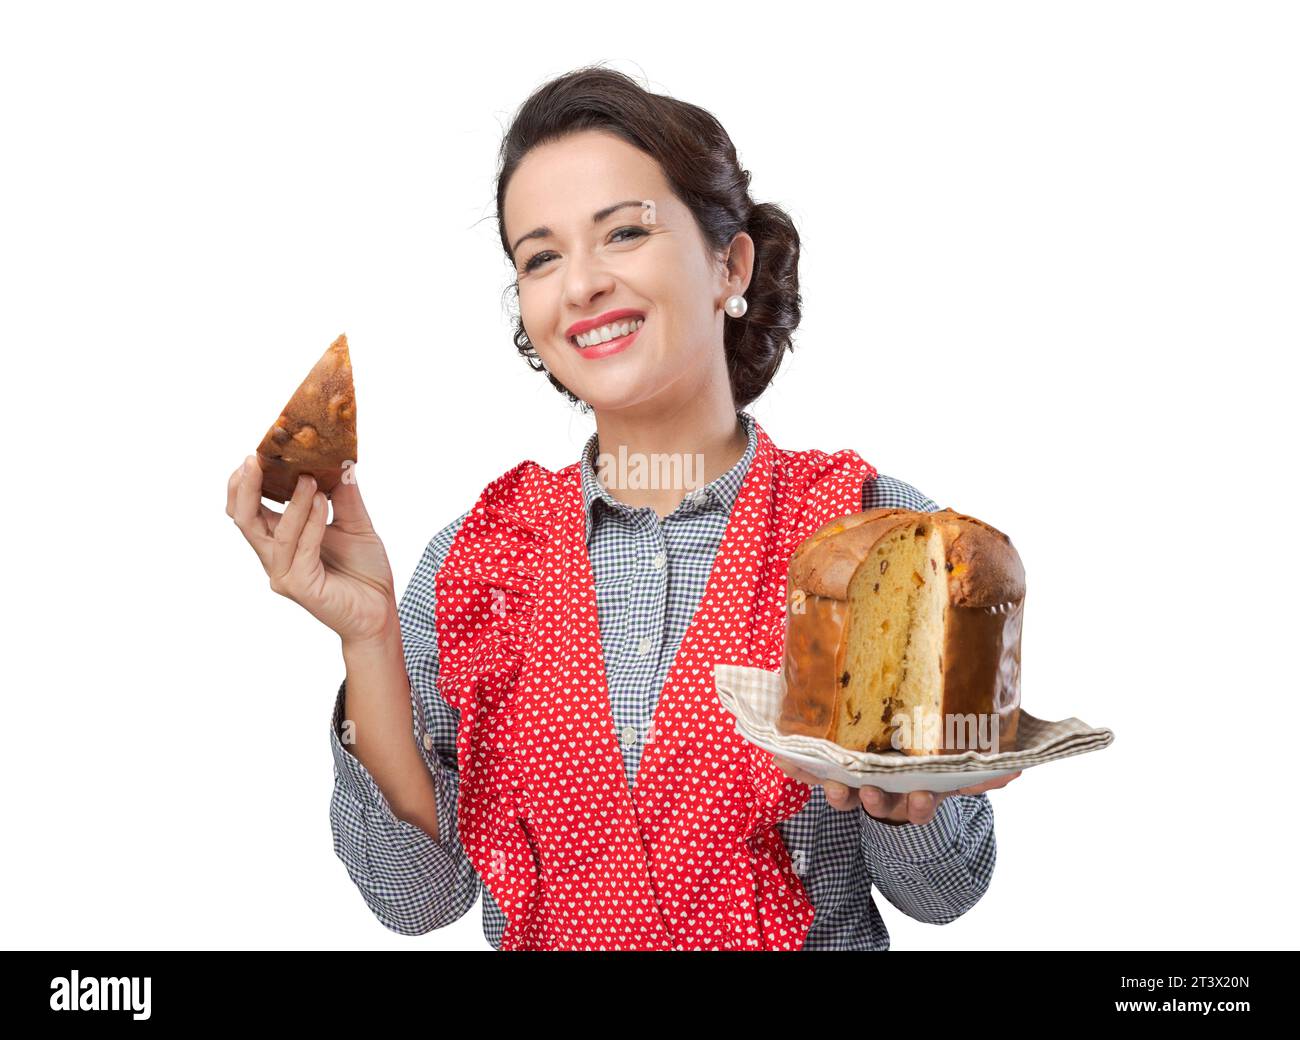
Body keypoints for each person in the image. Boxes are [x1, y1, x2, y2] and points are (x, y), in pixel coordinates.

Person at [226, 66, 1019, 950]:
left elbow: (946, 893)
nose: (582, 284)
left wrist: (904, 800)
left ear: (731, 263)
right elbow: (416, 901)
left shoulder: (872, 533)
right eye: (541, 256)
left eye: (624, 233)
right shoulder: (479, 559)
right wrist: (368, 638)